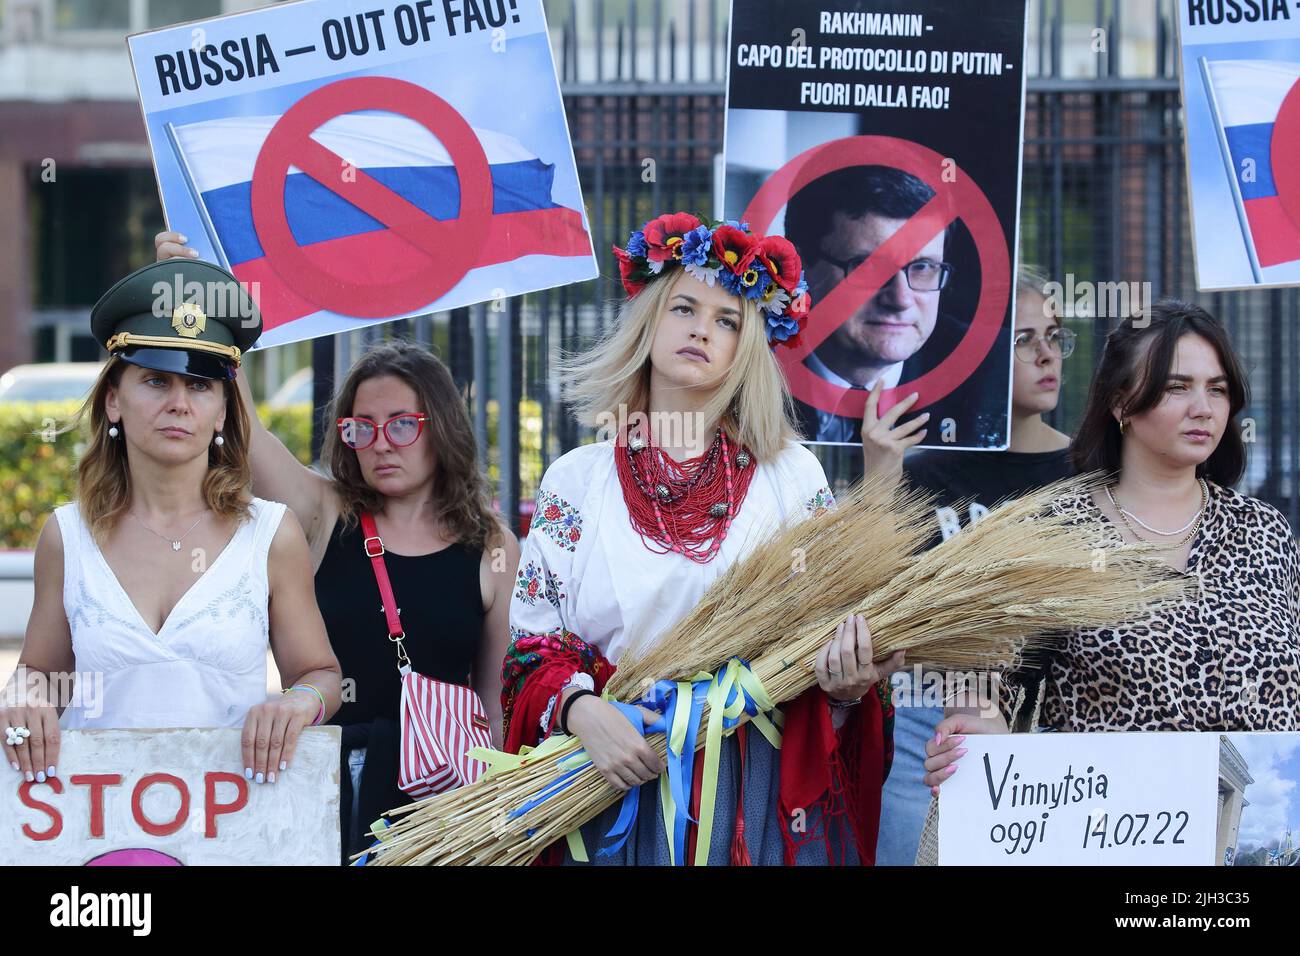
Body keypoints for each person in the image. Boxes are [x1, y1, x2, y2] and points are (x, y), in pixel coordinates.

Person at [501, 212, 907, 866]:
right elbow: (532, 648)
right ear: (649, 322)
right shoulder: (577, 479)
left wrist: (848, 683)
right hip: (610, 782)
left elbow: (838, 629)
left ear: (747, 347)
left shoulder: (790, 473)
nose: (701, 329)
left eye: (727, 320)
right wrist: (581, 711)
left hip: (750, 790)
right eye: (685, 308)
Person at [154, 232, 520, 864]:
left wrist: (487, 828)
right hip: (316, 791)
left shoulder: (491, 547)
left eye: (404, 424)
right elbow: (250, 437)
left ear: (443, 428)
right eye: (361, 427)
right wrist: (201, 309)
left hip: (439, 809)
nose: (381, 443)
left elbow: (494, 710)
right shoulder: (326, 514)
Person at [924, 298, 1300, 794]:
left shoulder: (1265, 531)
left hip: (1251, 820)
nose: (1203, 408)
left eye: (1217, 389)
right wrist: (979, 723)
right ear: (1121, 403)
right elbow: (981, 673)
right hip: (1107, 825)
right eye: (1177, 387)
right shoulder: (1054, 530)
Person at [0, 258, 342, 791]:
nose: (179, 404)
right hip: (98, 831)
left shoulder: (271, 534)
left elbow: (321, 675)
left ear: (224, 409)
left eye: (201, 385)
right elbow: (41, 674)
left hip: (232, 821)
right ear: (113, 401)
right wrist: (23, 701)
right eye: (156, 381)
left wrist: (298, 704)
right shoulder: (67, 536)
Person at [862, 266, 1076, 864]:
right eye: (1023, 339)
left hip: (1047, 748)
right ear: (977, 350)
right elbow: (874, 608)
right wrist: (880, 468)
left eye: (1055, 336)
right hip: (929, 747)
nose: (1046, 354)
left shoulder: (1088, 473)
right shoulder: (926, 472)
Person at [783, 165, 1008, 447]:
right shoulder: (747, 367)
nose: (900, 300)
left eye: (923, 267)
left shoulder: (994, 370)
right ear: (800, 268)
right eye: (868, 267)